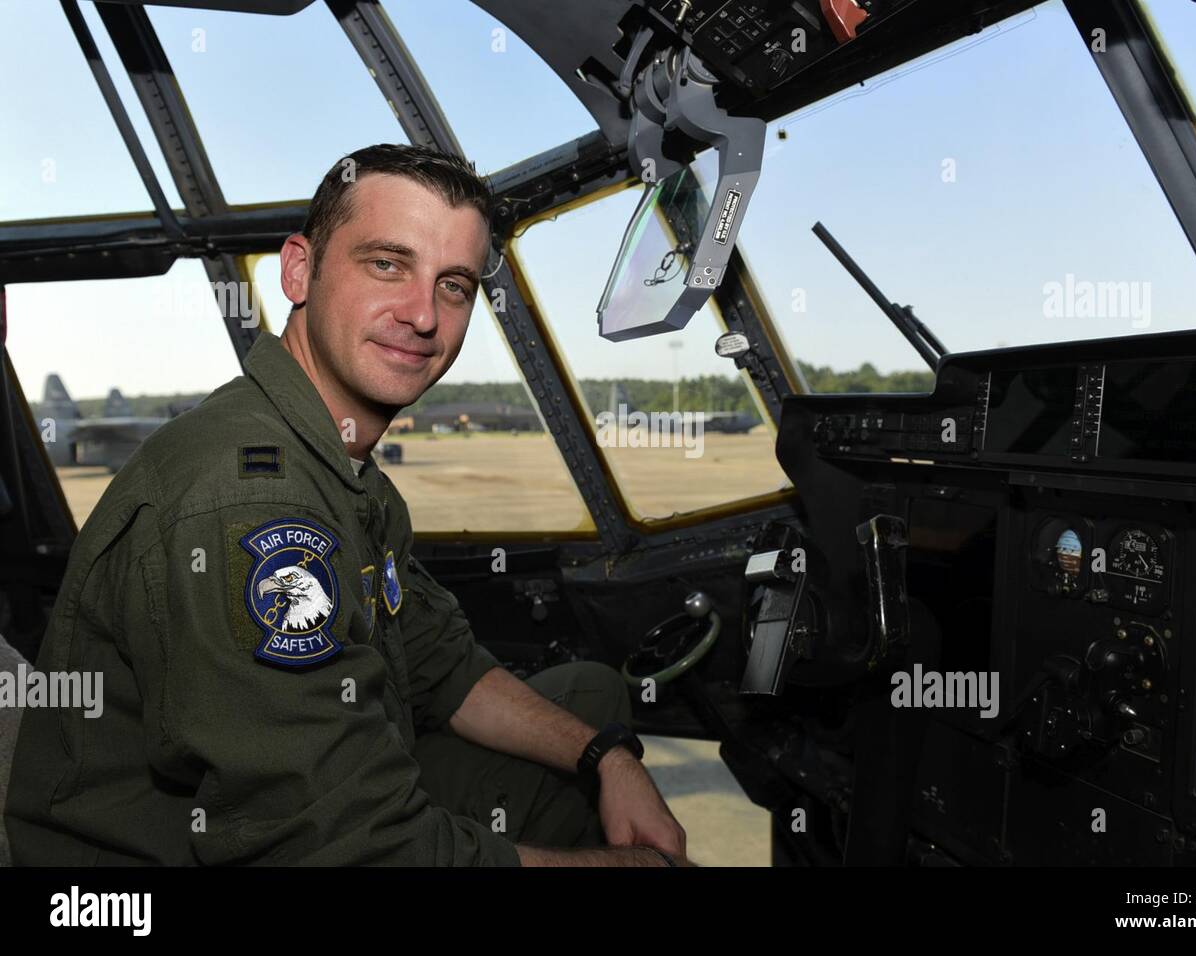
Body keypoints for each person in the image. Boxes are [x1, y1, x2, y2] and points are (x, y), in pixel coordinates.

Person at [5, 144, 689, 867]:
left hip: (317, 809)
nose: (424, 315)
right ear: (299, 270)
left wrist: (608, 757)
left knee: (588, 696)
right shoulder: (249, 506)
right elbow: (348, 851)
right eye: (387, 265)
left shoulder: (341, 471)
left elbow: (439, 664)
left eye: (453, 285)